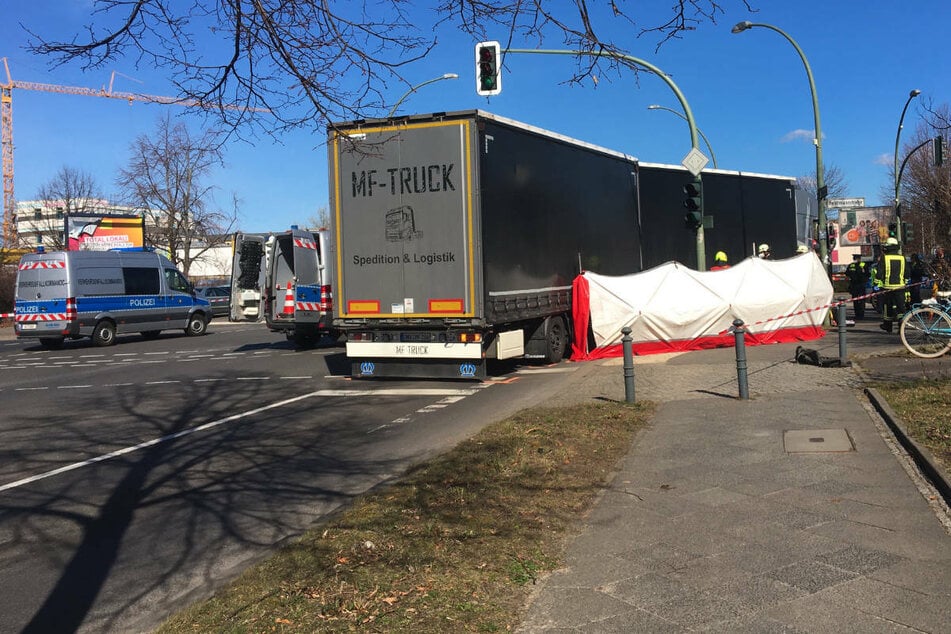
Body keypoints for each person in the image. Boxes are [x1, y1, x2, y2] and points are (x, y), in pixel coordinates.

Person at [873, 237, 905, 333]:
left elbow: (879, 272)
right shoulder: (902, 258)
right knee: (900, 307)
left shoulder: (885, 258)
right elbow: (907, 272)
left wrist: (876, 283)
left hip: (888, 287)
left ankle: (888, 325)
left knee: (888, 306)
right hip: (900, 287)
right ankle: (901, 327)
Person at [845, 254, 869, 319]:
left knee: (856, 300)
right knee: (861, 300)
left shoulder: (851, 265)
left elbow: (847, 274)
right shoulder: (863, 265)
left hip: (855, 285)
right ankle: (861, 314)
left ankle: (857, 314)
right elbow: (868, 274)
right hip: (860, 285)